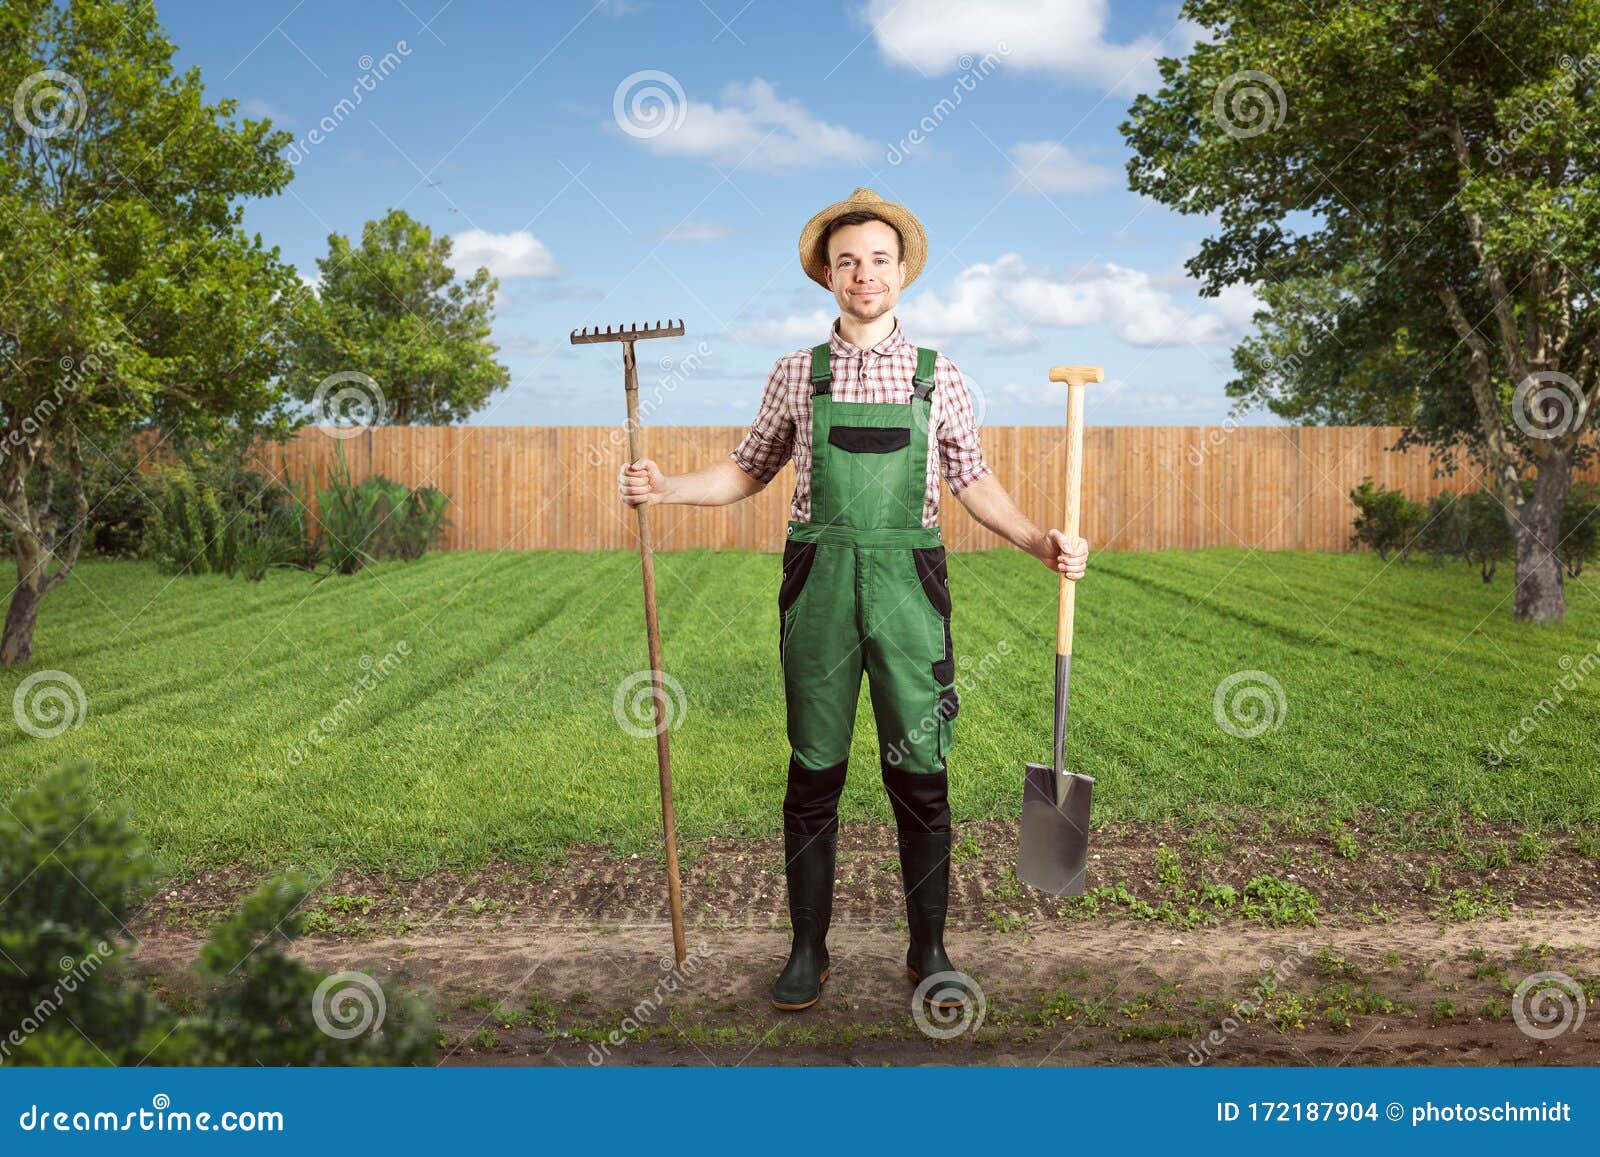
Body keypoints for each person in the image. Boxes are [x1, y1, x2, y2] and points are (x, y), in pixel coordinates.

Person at [618, 187, 1089, 1013]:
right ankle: (807, 948)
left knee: (922, 773)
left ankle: (930, 947)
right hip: (820, 589)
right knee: (814, 772)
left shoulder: (942, 377)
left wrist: (1039, 539)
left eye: (878, 259)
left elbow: (973, 482)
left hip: (911, 594)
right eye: (847, 262)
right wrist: (669, 487)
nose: (863, 274)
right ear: (827, 277)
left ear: (902, 271)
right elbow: (747, 469)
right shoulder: (797, 372)